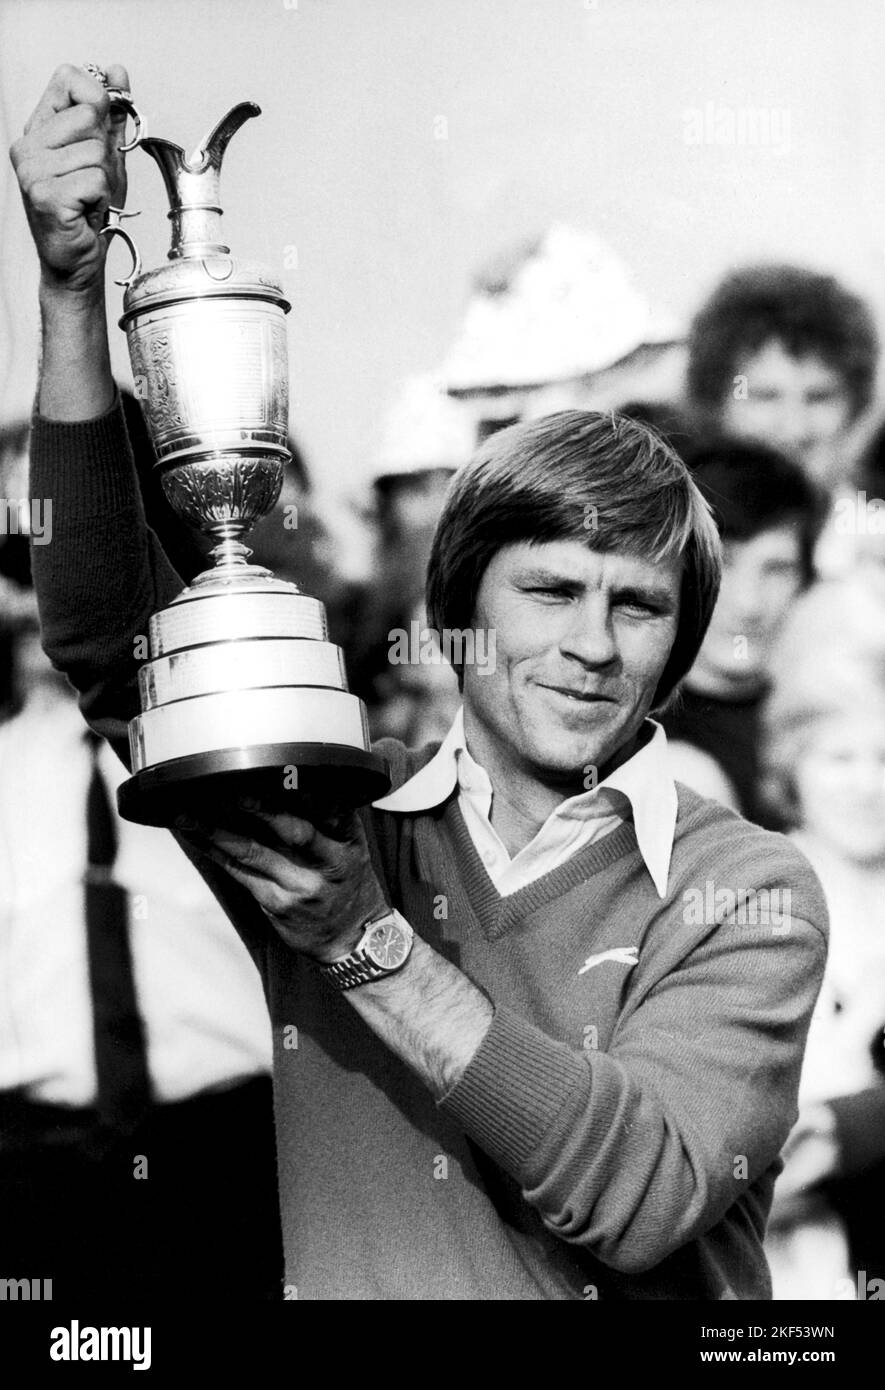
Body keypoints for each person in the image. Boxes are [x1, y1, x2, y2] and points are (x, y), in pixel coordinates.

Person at [14, 63, 829, 1301]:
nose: (595, 646)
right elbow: (106, 646)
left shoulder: (748, 887)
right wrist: (72, 296)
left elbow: (644, 1192)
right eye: (551, 593)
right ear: (453, 614)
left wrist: (361, 943)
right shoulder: (332, 822)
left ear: (683, 635)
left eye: (641, 605)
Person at [760, 597, 885, 1298]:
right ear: (792, 767)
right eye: (840, 757)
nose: (867, 784)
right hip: (780, 1271)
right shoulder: (754, 896)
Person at [660, 438, 824, 827]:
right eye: (724, 564)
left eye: (777, 569)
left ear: (807, 579)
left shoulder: (833, 721)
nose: (749, 604)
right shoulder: (629, 734)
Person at [686, 264, 878, 489]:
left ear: (856, 408)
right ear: (715, 403)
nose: (794, 429)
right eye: (765, 396)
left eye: (819, 398)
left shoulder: (870, 520)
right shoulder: (666, 516)